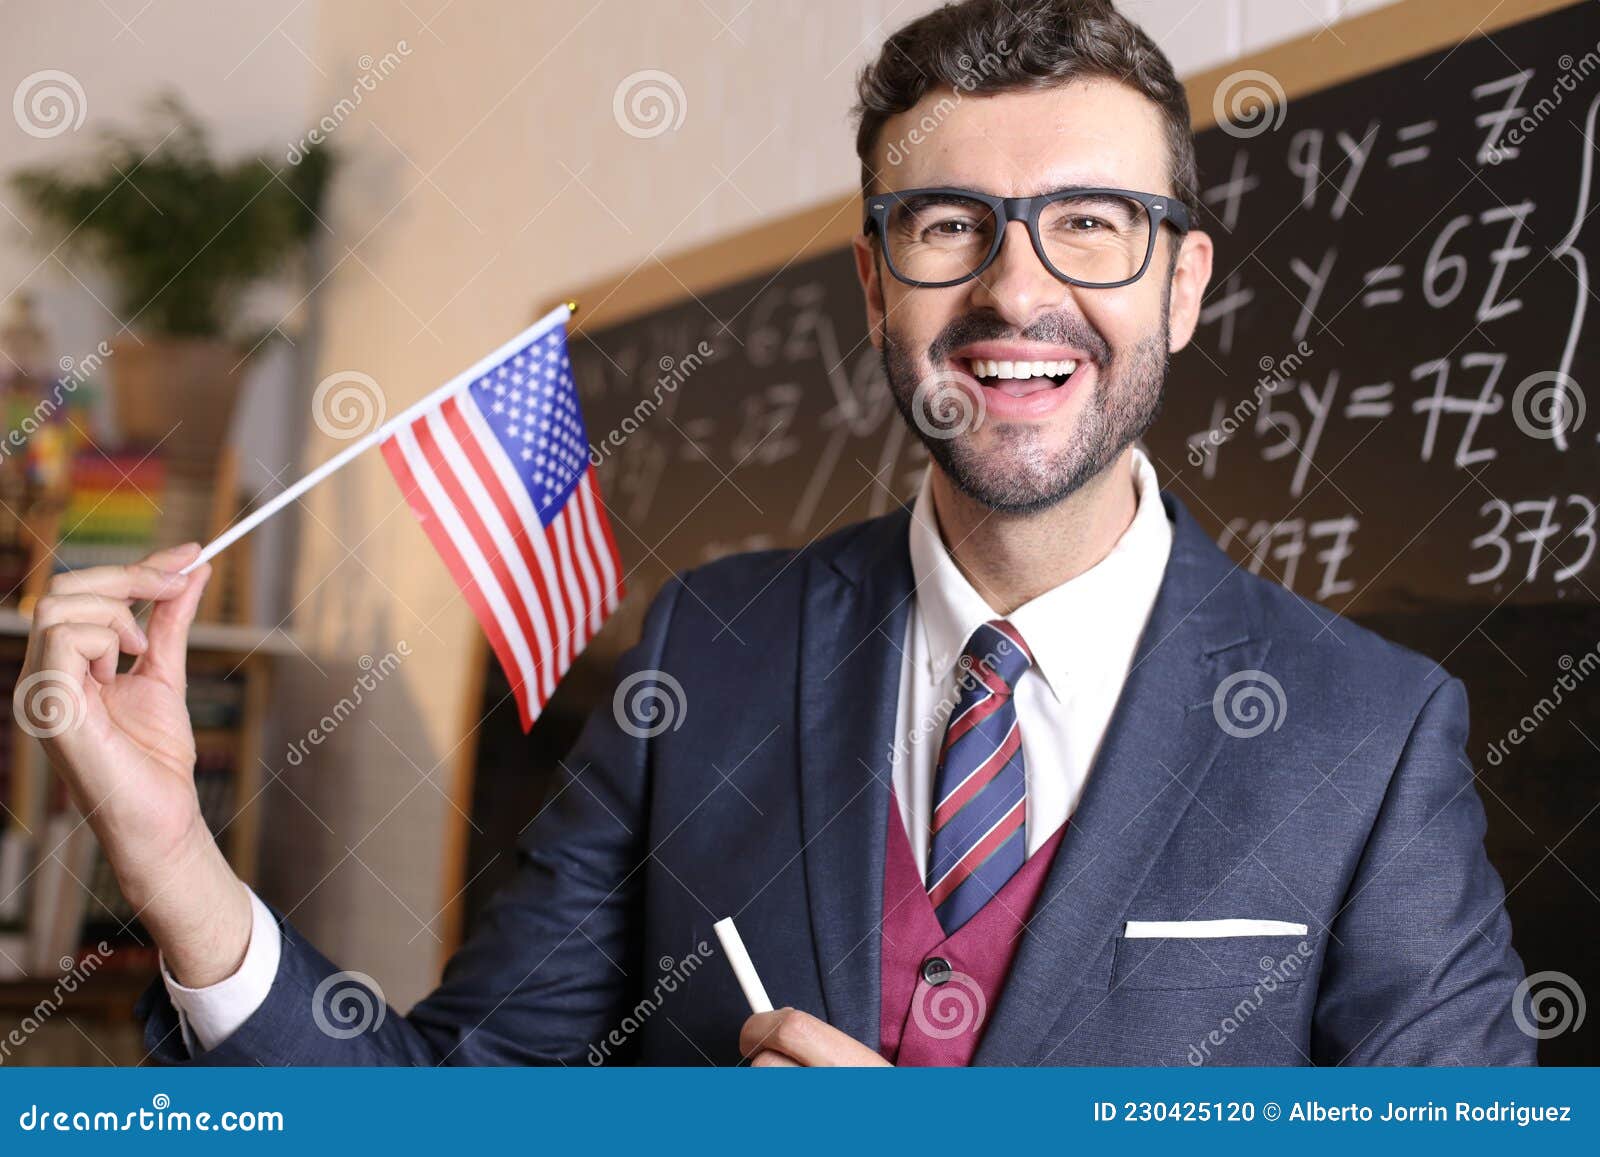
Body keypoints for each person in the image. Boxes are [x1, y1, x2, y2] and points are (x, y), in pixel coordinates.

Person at [19, 0, 1532, 1066]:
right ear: (876, 290)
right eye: (949, 226)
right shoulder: (708, 660)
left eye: (1092, 223)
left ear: (1184, 285)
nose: (1017, 292)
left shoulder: (1371, 732)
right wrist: (175, 865)